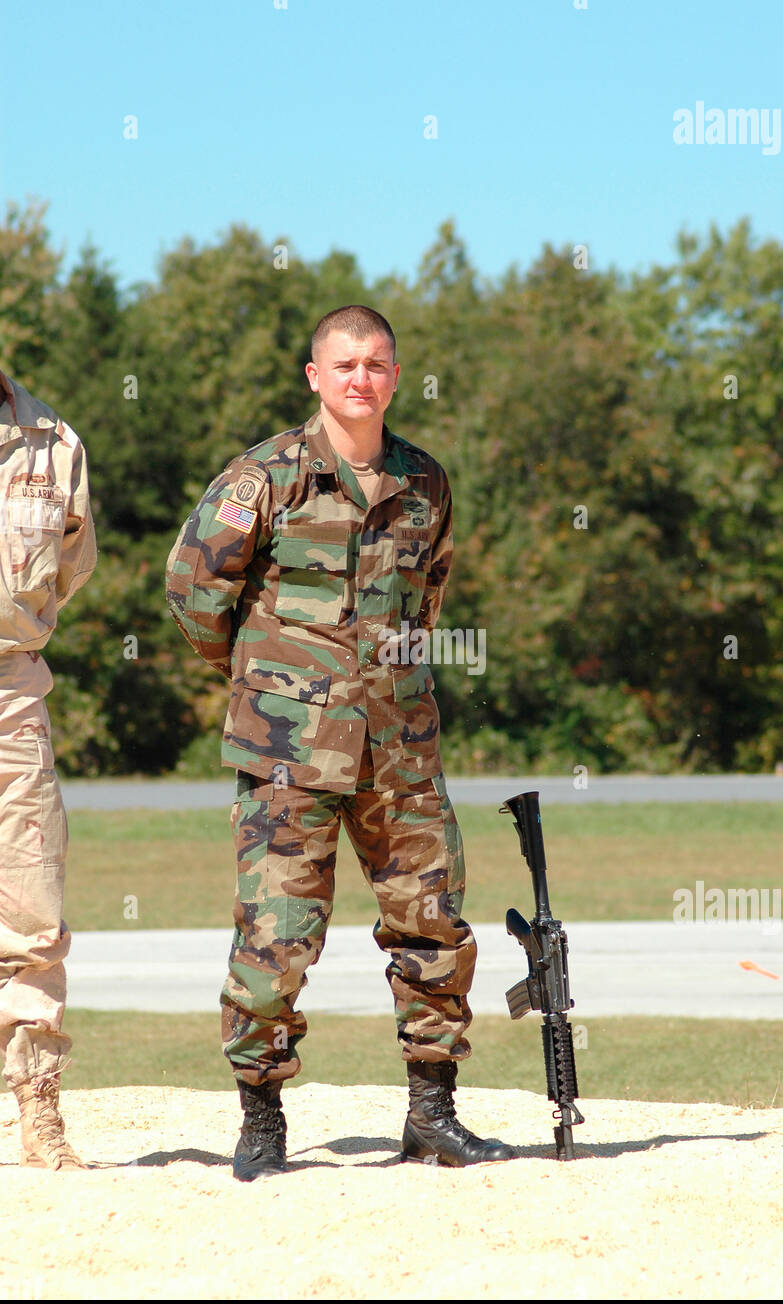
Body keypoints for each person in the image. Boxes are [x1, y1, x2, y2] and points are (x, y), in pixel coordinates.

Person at [166, 305, 514, 1179]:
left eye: (379, 364)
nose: (363, 378)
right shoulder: (266, 476)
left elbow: (427, 597)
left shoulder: (426, 483)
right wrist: (268, 684)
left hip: (400, 748)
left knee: (432, 927)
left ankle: (432, 1112)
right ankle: (262, 1120)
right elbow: (195, 593)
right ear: (315, 377)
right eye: (346, 364)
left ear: (396, 376)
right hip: (288, 751)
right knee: (276, 939)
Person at [0, 368, 97, 1168]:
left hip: (10, 695)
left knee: (33, 909)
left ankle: (39, 1111)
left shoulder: (55, 445)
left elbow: (71, 564)